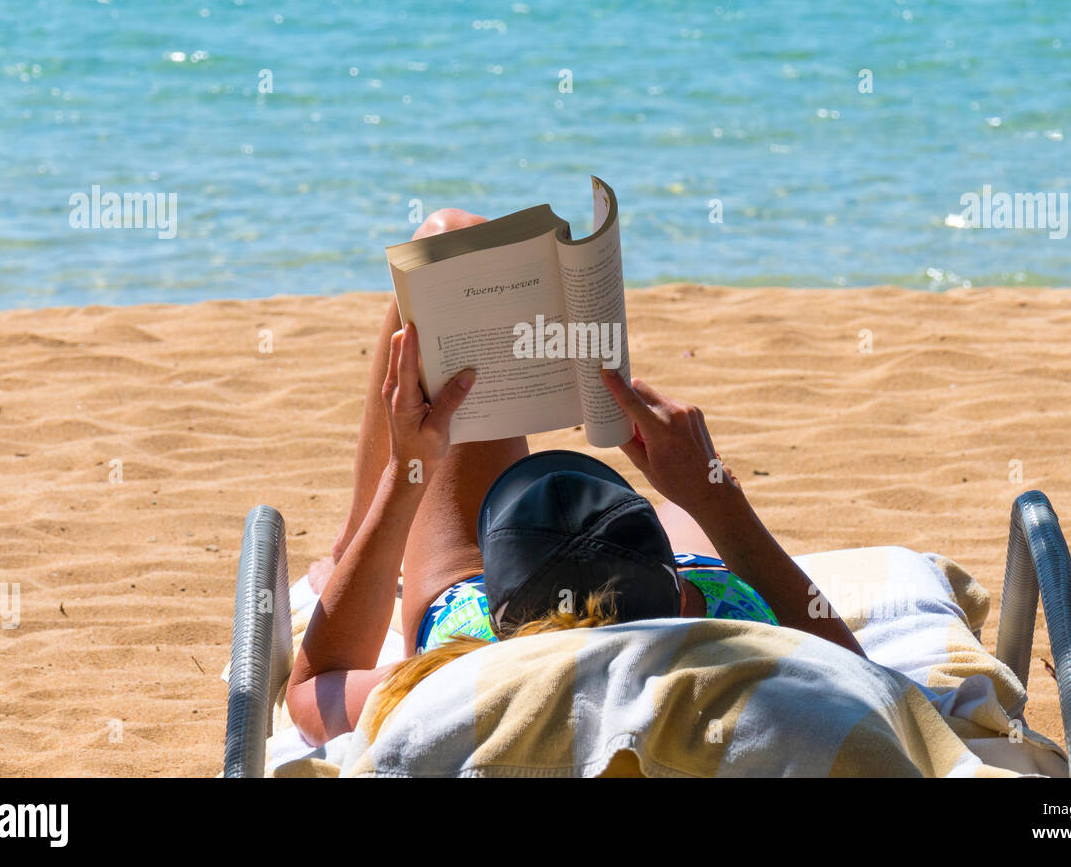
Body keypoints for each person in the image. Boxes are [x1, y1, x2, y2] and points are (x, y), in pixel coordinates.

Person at [287, 209, 864, 747]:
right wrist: (715, 497)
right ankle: (674, 518)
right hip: (614, 603)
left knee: (446, 239)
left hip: (555, 615)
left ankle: (350, 550)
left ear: (491, 605)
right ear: (685, 596)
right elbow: (866, 681)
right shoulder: (729, 639)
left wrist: (406, 473)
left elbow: (314, 688)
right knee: (685, 511)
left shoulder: (463, 671)